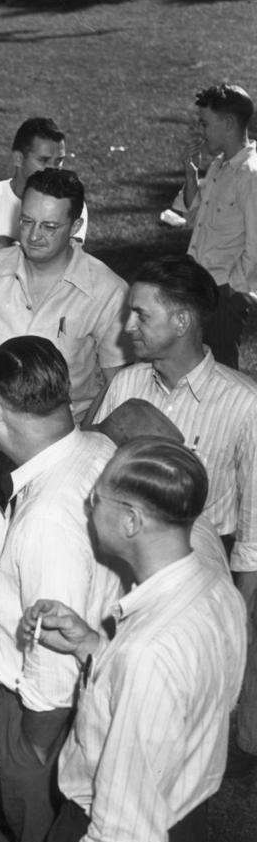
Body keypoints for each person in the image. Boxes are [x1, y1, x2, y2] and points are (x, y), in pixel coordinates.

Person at [0, 168, 127, 712]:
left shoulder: (107, 289)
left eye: (50, 226)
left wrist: (72, 452)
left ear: (75, 225)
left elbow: (114, 382)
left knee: (43, 562)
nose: (35, 236)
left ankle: (34, 682)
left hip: (55, 449)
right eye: (28, 222)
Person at [26, 438, 246, 842]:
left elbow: (122, 839)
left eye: (95, 499)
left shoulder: (147, 651)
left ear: (130, 521)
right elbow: (176, 706)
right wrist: (91, 646)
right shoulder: (218, 591)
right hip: (182, 827)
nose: (89, 509)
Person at [0, 335, 123, 842]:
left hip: (32, 709)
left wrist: (31, 746)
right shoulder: (90, 450)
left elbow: (52, 668)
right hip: (51, 700)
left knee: (31, 838)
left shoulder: (48, 521)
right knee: (7, 826)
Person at [94, 254, 257, 778]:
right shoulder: (124, 387)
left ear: (182, 321)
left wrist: (241, 608)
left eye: (141, 315)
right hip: (123, 571)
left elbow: (255, 522)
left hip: (198, 578)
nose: (127, 326)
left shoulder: (244, 403)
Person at [0, 117, 90, 279]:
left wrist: (2, 247)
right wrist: (26, 254)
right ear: (18, 158)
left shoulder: (69, 204)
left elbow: (63, 269)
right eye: (43, 160)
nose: (54, 169)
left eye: (59, 161)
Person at [182, 83, 257, 368]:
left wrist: (234, 287)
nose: (201, 131)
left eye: (205, 124)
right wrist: (191, 178)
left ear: (228, 123)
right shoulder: (219, 166)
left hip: (224, 294)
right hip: (201, 287)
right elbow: (196, 215)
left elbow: (256, 242)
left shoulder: (250, 175)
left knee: (223, 374)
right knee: (198, 368)